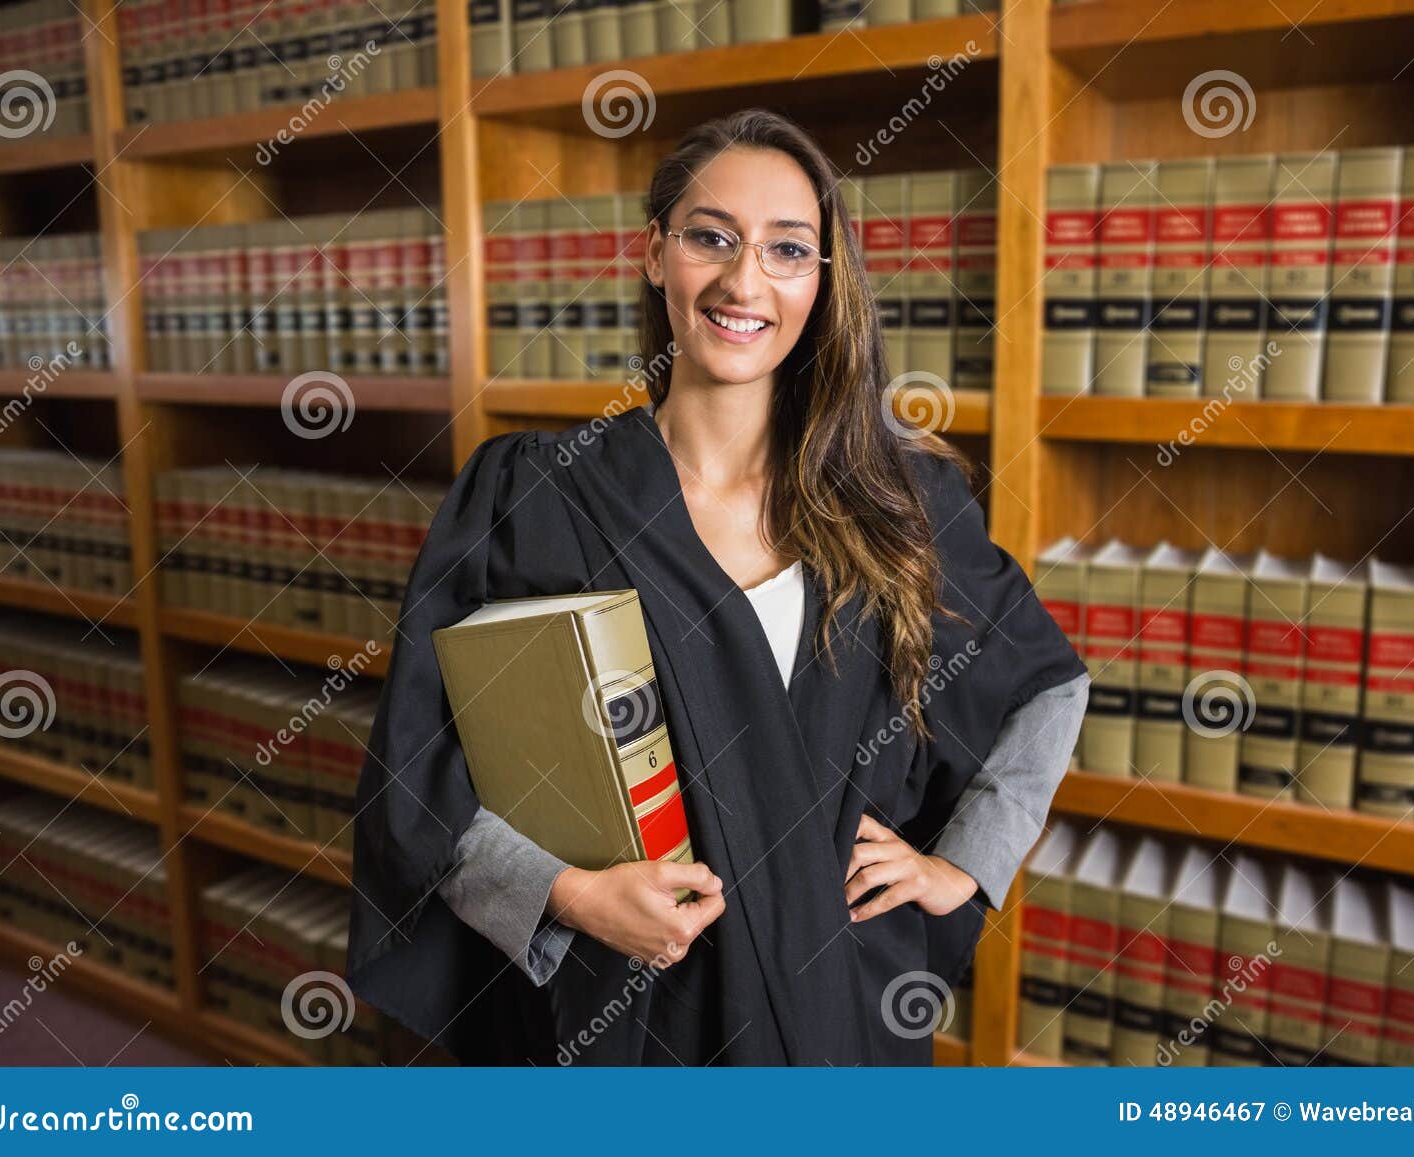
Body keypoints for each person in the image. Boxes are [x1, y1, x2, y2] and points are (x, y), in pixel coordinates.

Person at [345, 108, 1088, 1065]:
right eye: (711, 238)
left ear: (823, 282)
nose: (745, 282)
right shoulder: (530, 493)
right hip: (618, 1004)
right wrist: (566, 896)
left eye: (788, 250)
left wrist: (963, 864)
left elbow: (1046, 681)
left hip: (838, 1003)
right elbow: (417, 770)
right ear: (655, 255)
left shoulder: (901, 502)